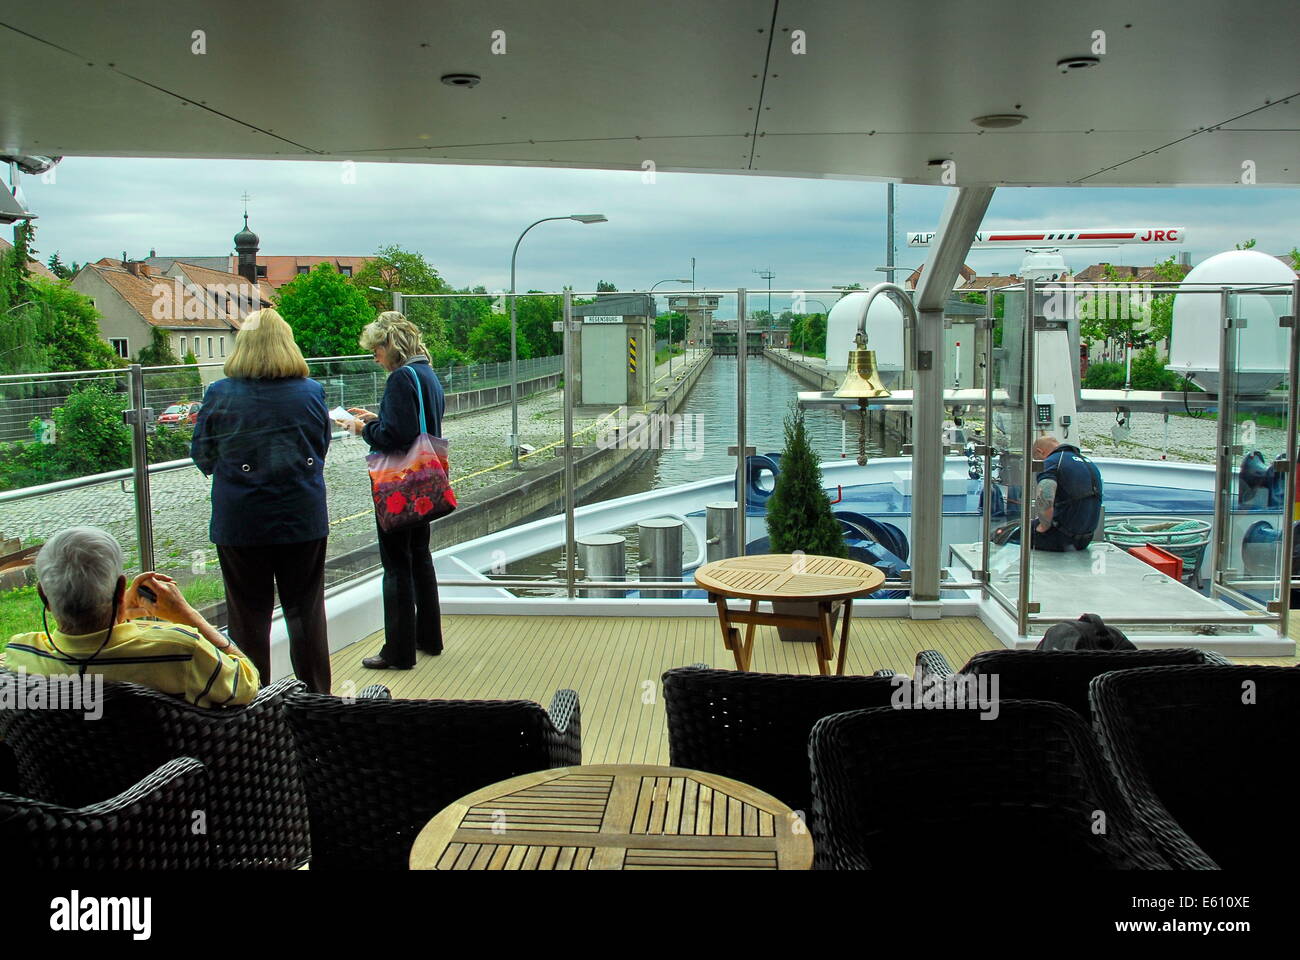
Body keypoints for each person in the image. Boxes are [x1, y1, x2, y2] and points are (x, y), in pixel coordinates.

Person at [190, 308, 332, 693]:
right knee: (307, 613)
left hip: (241, 521)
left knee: (248, 619)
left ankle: (254, 707)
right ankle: (317, 703)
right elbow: (320, 448)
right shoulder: (311, 391)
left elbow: (202, 454)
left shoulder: (220, 393)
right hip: (301, 516)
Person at [5, 527, 259, 707]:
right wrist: (189, 617)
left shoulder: (19, 654)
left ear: (43, 596)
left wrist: (121, 611)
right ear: (120, 588)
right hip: (174, 779)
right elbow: (248, 683)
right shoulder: (182, 651)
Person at [345, 311, 446, 669]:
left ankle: (398, 651)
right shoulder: (427, 374)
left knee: (396, 566)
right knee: (420, 557)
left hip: (401, 486)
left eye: (376, 348)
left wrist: (361, 429)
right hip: (425, 482)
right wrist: (378, 418)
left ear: (391, 345)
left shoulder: (401, 378)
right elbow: (413, 425)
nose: (374, 356)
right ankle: (428, 637)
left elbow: (394, 437)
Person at [1030, 434, 1103, 552]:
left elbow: (1045, 497)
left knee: (1009, 533)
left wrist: (1043, 526)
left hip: (1061, 538)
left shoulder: (1050, 462)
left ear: (1040, 452)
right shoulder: (1087, 462)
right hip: (1085, 540)